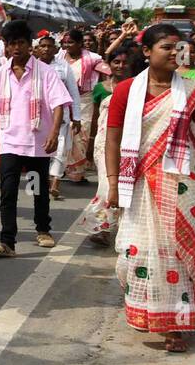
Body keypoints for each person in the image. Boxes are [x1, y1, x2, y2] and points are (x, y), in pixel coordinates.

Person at [105, 23, 195, 353]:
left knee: (178, 253)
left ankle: (175, 326)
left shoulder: (191, 90)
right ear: (147, 52)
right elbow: (113, 140)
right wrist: (113, 185)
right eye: (167, 48)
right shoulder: (127, 90)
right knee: (138, 252)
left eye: (179, 48)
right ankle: (149, 312)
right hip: (141, 184)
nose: (175, 53)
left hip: (181, 185)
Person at [0, 19, 71, 257]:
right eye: (11, 44)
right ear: (6, 47)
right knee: (7, 192)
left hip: (37, 145)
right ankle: (7, 241)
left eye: (20, 43)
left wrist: (53, 133)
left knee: (36, 190)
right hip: (10, 143)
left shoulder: (45, 73)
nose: (16, 48)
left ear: (29, 45)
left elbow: (59, 104)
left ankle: (43, 229)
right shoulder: (1, 74)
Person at [77, 48, 136, 247]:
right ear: (109, 64)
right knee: (106, 186)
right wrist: (90, 141)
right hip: (104, 143)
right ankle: (102, 228)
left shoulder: (137, 87)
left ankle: (124, 230)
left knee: (127, 187)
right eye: (116, 62)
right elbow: (95, 117)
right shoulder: (101, 88)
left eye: (124, 62)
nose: (120, 66)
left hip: (129, 142)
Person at [36, 34, 81, 201]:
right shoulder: (32, 66)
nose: (46, 49)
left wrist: (77, 117)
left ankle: (55, 180)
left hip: (61, 117)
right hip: (38, 117)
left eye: (49, 46)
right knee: (41, 150)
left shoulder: (63, 67)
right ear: (37, 49)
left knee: (60, 149)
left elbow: (73, 93)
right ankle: (40, 182)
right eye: (43, 46)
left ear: (56, 49)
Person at [59, 28, 100, 183]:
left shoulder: (93, 59)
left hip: (84, 101)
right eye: (65, 43)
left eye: (71, 42)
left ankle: (77, 172)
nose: (68, 45)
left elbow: (106, 74)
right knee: (62, 134)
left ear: (80, 43)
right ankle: (59, 169)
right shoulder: (59, 57)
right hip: (62, 101)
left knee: (80, 135)